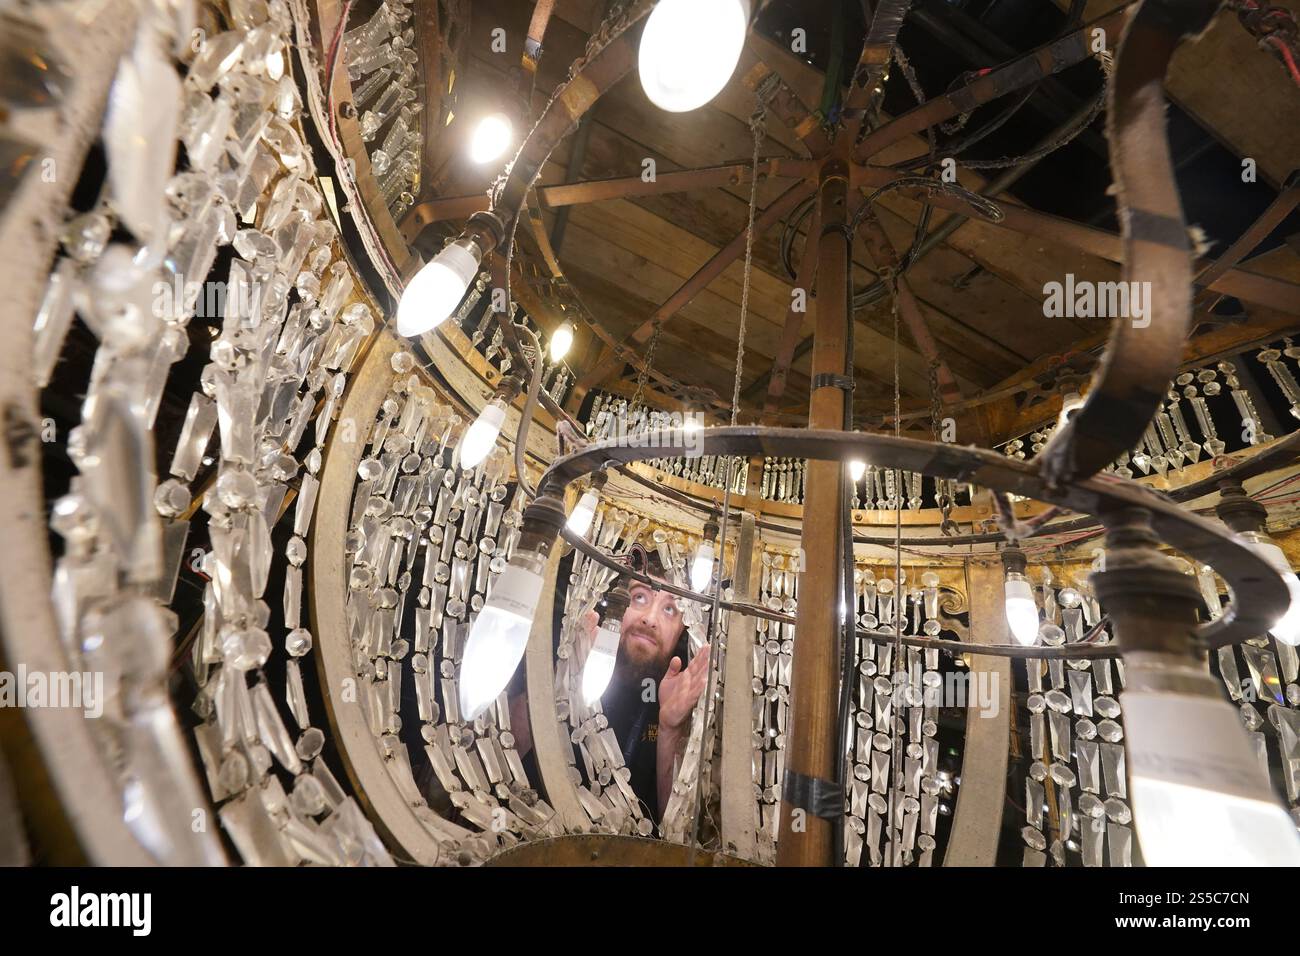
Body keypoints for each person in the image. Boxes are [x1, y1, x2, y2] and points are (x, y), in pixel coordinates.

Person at [508, 551, 710, 822]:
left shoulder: (674, 705)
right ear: (616, 603)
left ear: (681, 631)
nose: (650, 618)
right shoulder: (566, 660)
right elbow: (501, 754)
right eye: (639, 597)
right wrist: (565, 675)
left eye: (669, 609)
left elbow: (673, 831)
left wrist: (670, 729)